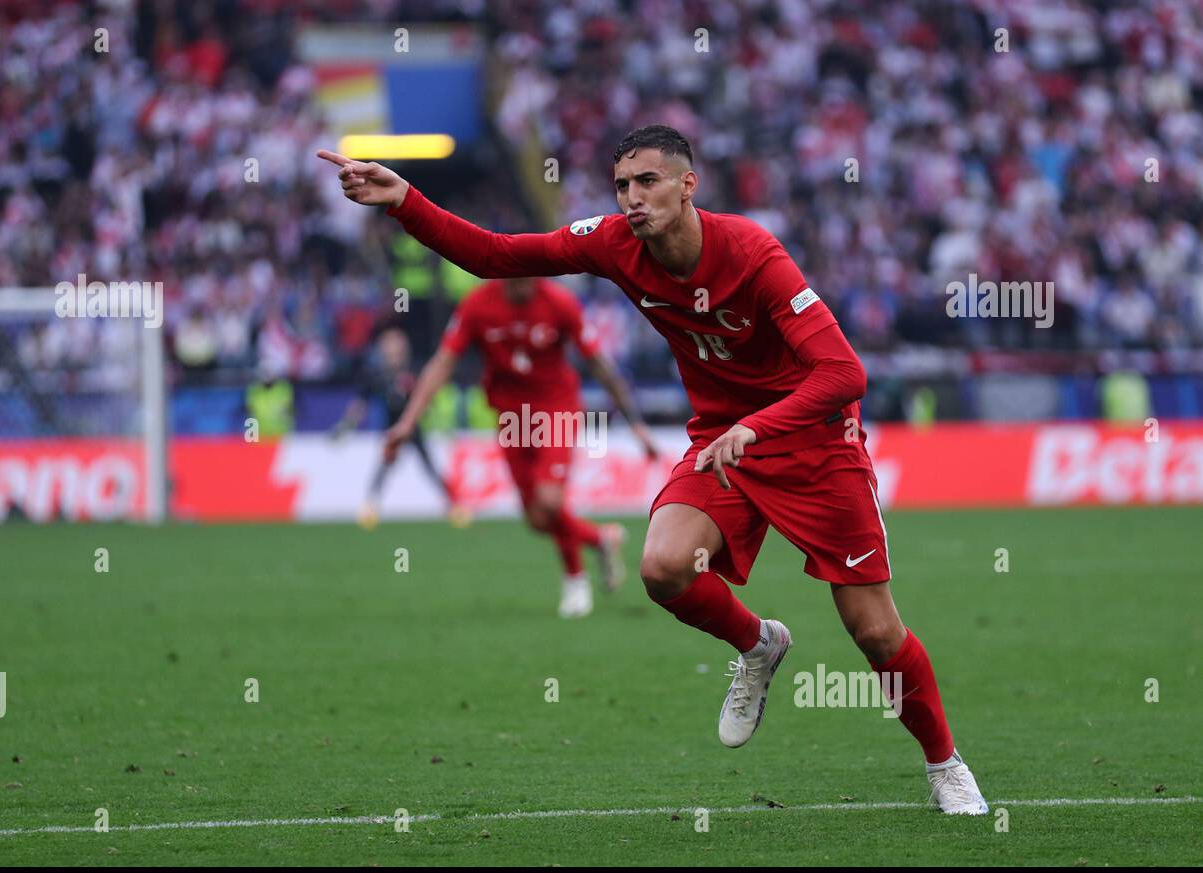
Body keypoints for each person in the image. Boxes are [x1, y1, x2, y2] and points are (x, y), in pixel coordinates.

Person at [318, 125, 988, 814]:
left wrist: (757, 425)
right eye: (622, 186)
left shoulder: (754, 254)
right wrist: (404, 200)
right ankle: (759, 644)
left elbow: (845, 372)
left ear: (687, 185)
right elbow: (495, 256)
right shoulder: (613, 243)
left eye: (648, 182)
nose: (632, 199)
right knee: (663, 568)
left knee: (874, 632)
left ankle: (945, 764)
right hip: (721, 443)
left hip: (814, 443)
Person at [386, 276, 660, 618]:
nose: (525, 285)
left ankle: (575, 582)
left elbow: (598, 364)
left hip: (556, 411)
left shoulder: (559, 303)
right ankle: (600, 538)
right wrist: (408, 421)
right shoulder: (478, 305)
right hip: (510, 416)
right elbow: (443, 363)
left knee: (550, 501)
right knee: (535, 519)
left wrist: (636, 424)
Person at [333, 326, 465, 529]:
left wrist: (440, 424)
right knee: (384, 468)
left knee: (430, 467)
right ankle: (370, 507)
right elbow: (361, 404)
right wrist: (347, 424)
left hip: (412, 429)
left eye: (398, 349)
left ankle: (453, 506)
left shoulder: (413, 373)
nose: (394, 354)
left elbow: (426, 400)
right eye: (390, 349)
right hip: (392, 430)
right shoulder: (377, 377)